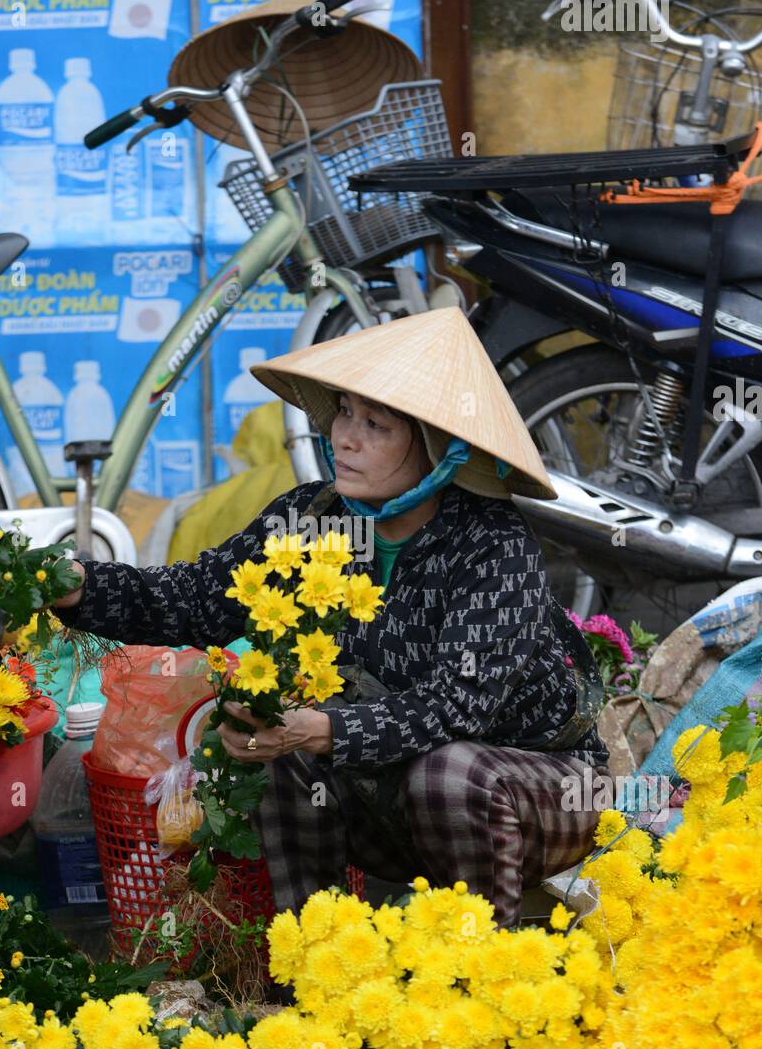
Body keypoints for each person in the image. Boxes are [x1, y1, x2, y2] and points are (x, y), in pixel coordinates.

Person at [51, 307, 612, 928]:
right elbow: (203, 598)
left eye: (376, 425)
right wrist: (79, 586)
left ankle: (483, 977)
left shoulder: (492, 544)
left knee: (447, 772)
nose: (345, 436)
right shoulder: (313, 520)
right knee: (278, 756)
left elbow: (458, 705)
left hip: (534, 794)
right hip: (396, 801)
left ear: (439, 451)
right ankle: (319, 967)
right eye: (344, 411)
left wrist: (320, 728)